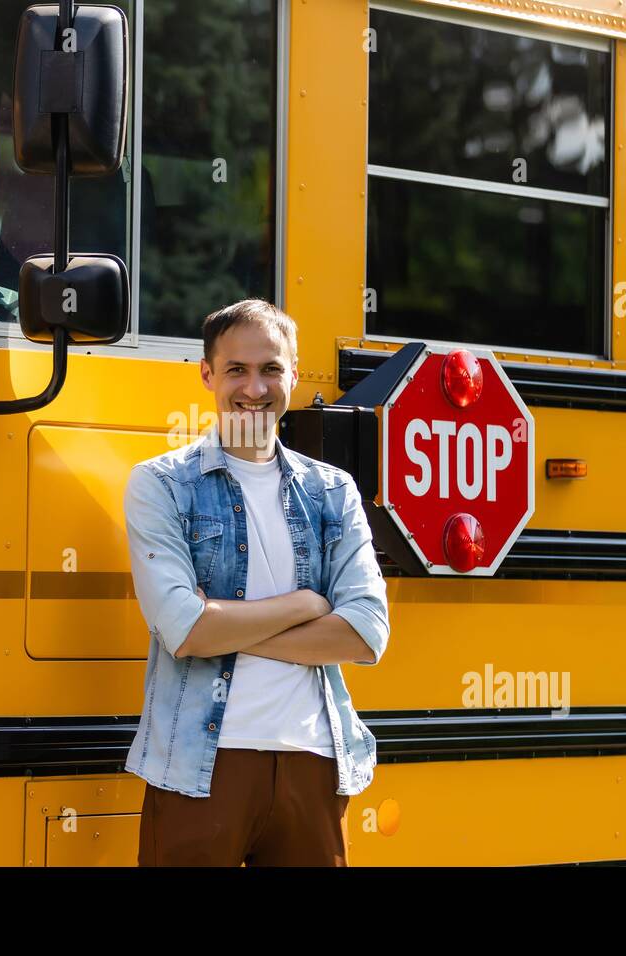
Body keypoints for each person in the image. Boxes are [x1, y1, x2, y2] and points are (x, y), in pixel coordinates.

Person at [122, 298, 390, 866]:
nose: (254, 387)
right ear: (206, 374)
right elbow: (183, 629)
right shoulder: (162, 485)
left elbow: (366, 634)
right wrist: (305, 603)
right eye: (236, 369)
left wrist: (222, 624)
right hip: (197, 762)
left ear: (294, 374)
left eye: (271, 368)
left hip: (313, 757)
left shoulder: (331, 491)